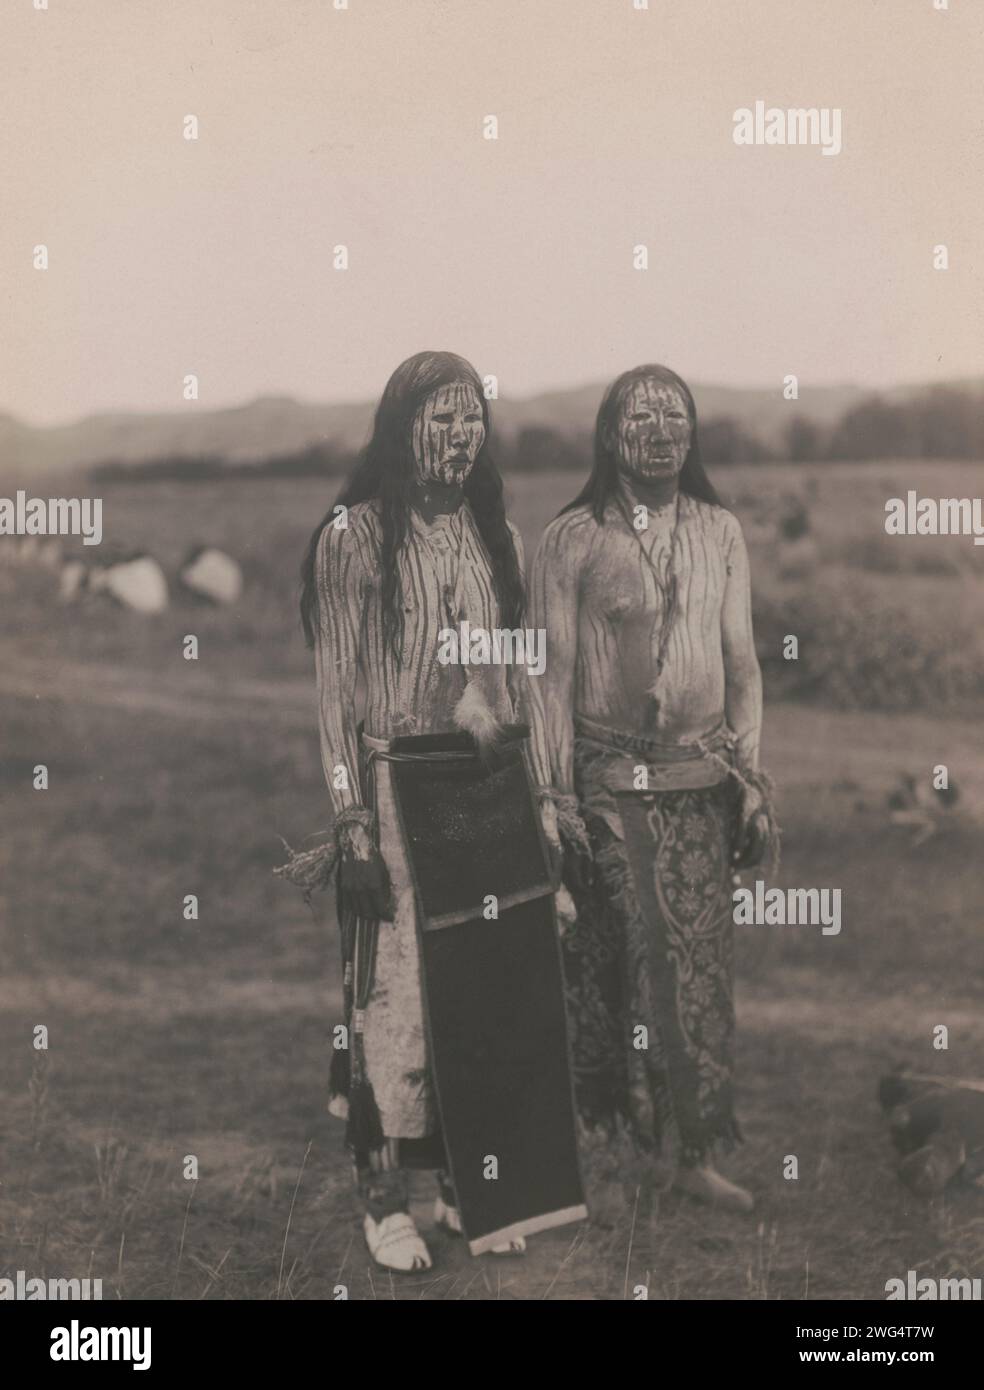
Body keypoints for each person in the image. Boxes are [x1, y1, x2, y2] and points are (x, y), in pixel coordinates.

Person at [291, 351, 585, 1271]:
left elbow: (525, 681)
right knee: (393, 1004)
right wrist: (350, 829)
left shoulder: (495, 533)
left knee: (484, 994)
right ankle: (385, 1198)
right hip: (392, 792)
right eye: (439, 420)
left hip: (488, 792)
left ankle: (470, 1182)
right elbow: (336, 700)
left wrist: (544, 799)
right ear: (399, 425)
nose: (458, 440)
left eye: (472, 423)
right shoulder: (352, 537)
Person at [527, 363, 777, 1213]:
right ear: (609, 436)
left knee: (696, 975)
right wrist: (553, 804)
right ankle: (603, 1148)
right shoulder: (572, 539)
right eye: (642, 417)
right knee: (612, 964)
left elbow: (743, 669)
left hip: (701, 781)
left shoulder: (720, 532)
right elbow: (550, 682)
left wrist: (751, 779)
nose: (662, 429)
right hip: (604, 783)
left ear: (693, 432)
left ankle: (688, 1154)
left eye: (676, 415)